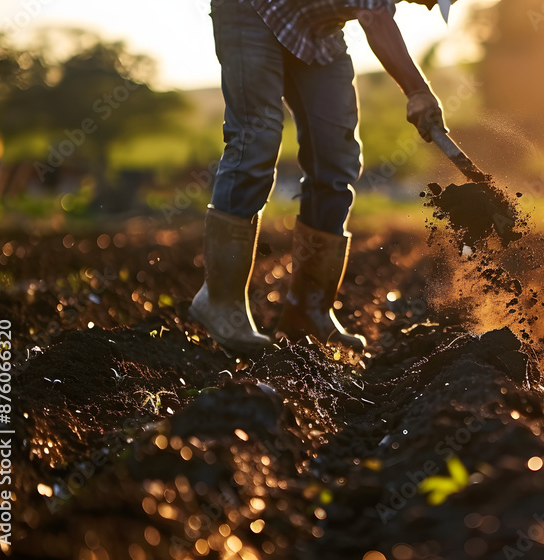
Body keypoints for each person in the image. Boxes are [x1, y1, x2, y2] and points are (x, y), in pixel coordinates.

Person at [189, 0, 453, 356]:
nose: (425, 6)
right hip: (250, 12)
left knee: (336, 158)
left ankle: (309, 310)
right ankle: (220, 300)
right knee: (257, 139)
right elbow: (374, 17)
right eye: (431, 0)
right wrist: (417, 90)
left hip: (315, 27)